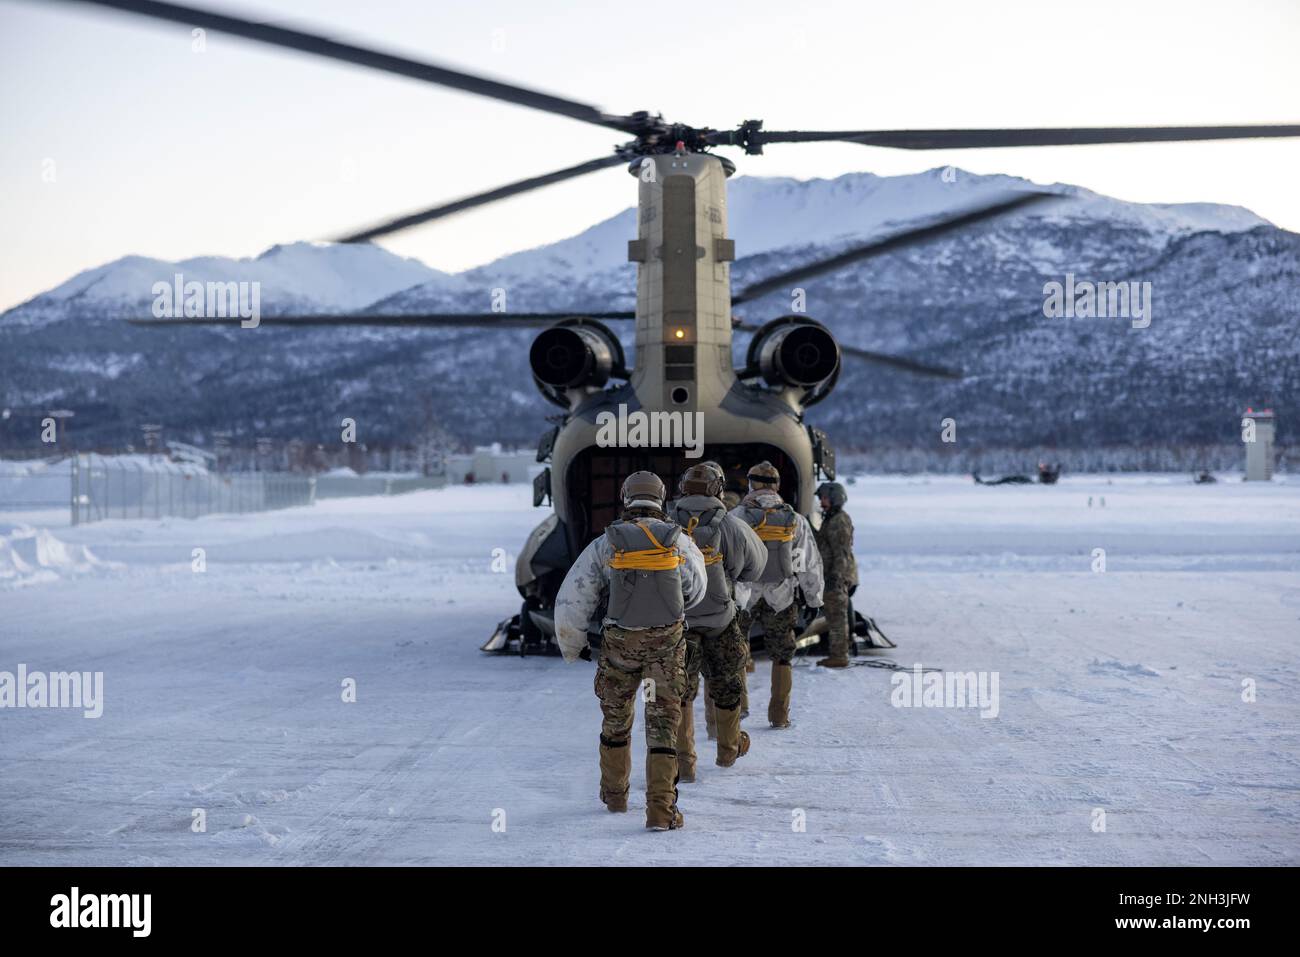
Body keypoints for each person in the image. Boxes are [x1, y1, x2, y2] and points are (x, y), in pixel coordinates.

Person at [555, 471, 707, 831]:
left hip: (620, 648)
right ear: (661, 498)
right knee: (662, 724)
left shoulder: (607, 542)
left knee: (616, 719)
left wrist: (572, 645)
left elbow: (573, 598)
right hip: (665, 649)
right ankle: (660, 810)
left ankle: (615, 796)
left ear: (626, 498)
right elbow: (697, 588)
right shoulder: (678, 540)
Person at [670, 462, 767, 780]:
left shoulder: (665, 525)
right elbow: (754, 565)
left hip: (680, 621)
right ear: (717, 488)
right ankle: (728, 750)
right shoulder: (730, 524)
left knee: (682, 691)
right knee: (727, 683)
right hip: (720, 618)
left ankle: (685, 763)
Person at [730, 461, 824, 728]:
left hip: (744, 594)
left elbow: (725, 558)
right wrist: (814, 598)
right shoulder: (794, 519)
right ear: (777, 486)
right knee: (782, 654)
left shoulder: (735, 516)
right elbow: (808, 562)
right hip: (781, 594)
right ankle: (779, 716)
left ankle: (738, 709)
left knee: (734, 650)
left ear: (751, 484)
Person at [813, 481, 858, 668]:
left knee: (837, 617)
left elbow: (842, 553)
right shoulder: (831, 518)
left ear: (834, 499)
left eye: (824, 498)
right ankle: (839, 652)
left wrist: (836, 578)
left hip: (836, 577)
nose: (821, 502)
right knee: (834, 615)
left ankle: (839, 656)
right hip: (831, 575)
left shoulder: (839, 521)